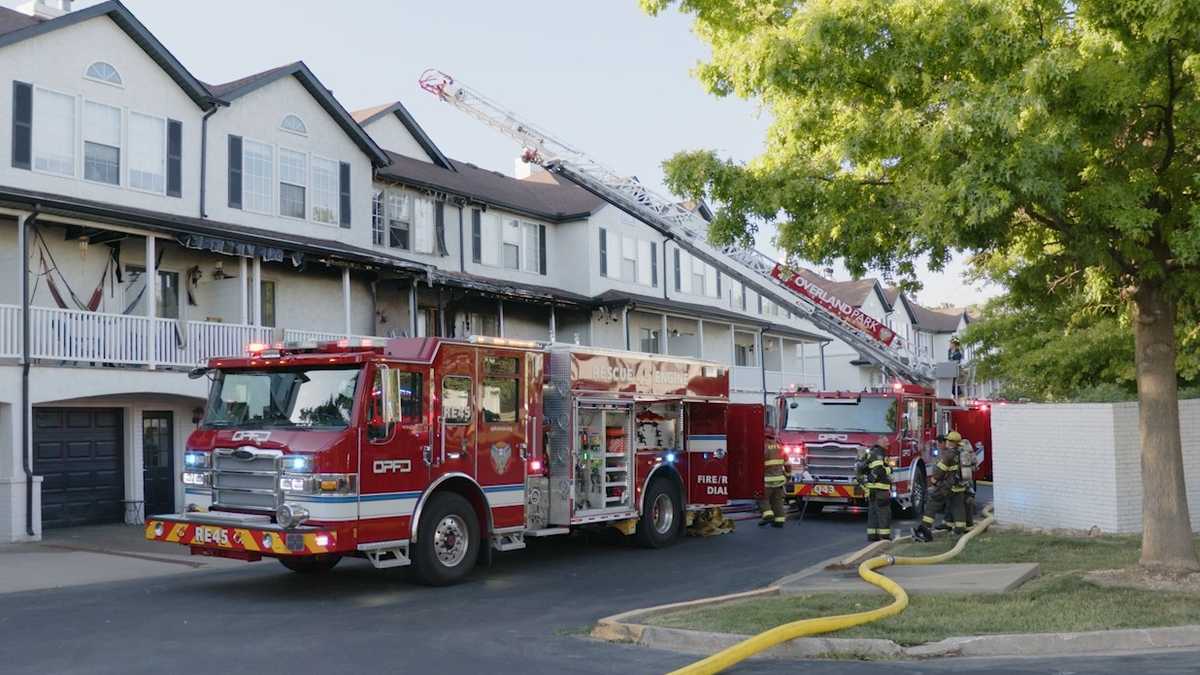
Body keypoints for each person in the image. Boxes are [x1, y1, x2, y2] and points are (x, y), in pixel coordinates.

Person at [914, 431, 967, 542]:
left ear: (951, 442)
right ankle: (960, 530)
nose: (946, 442)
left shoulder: (948, 454)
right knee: (958, 507)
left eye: (948, 440)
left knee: (932, 503)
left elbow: (940, 471)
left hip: (947, 486)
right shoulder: (961, 453)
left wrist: (934, 479)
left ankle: (924, 531)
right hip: (959, 486)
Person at [856, 436, 894, 542]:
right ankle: (885, 537)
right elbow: (879, 471)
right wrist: (890, 469)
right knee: (884, 513)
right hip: (880, 490)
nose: (888, 443)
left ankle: (872, 535)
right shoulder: (879, 453)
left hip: (872, 490)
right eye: (886, 441)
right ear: (880, 442)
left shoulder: (871, 452)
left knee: (873, 513)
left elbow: (864, 469)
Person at [759, 439, 787, 528]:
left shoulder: (762, 446)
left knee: (762, 498)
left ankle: (768, 515)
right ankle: (779, 521)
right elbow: (788, 464)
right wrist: (788, 476)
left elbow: (757, 463)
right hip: (779, 480)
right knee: (777, 501)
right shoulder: (780, 446)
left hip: (766, 480)